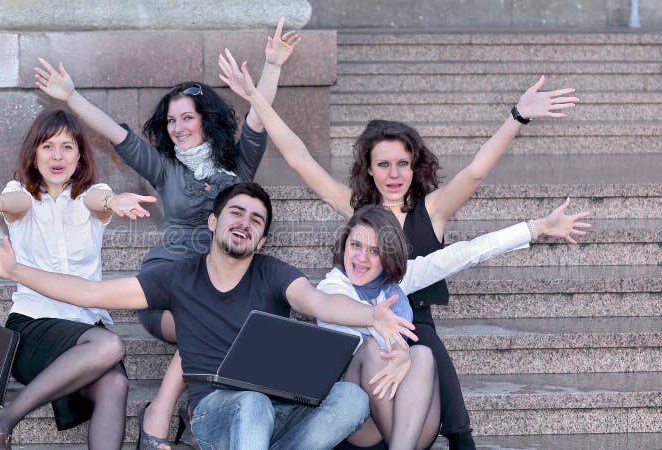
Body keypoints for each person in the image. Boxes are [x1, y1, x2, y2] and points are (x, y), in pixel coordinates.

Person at [217, 53, 580, 449]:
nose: (394, 174)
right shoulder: (355, 230)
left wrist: (518, 118)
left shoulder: (429, 216)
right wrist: (256, 96)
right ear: (369, 170)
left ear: (413, 166)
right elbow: (300, 158)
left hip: (413, 321)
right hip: (367, 337)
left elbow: (473, 192)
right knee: (381, 351)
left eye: (403, 164)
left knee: (429, 360)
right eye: (384, 164)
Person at [0, 182, 422, 450]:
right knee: (251, 402)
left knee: (351, 400)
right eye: (235, 213)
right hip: (214, 412)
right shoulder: (177, 277)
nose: (244, 222)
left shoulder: (274, 273)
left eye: (256, 220)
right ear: (213, 223)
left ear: (262, 240)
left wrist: (370, 316)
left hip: (282, 411)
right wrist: (13, 269)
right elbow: (90, 291)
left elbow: (320, 303)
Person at [33, 18, 300, 449]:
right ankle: (175, 412)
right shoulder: (164, 167)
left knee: (228, 318)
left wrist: (272, 68)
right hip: (170, 278)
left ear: (205, 121)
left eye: (186, 118)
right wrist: (72, 97)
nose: (177, 128)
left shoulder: (239, 164)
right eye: (171, 120)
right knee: (208, 320)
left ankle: (180, 414)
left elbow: (258, 118)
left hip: (230, 275)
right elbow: (115, 134)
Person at [0, 108, 156, 450]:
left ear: (80, 155)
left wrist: (115, 200)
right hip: (34, 327)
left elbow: (99, 199)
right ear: (34, 154)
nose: (57, 155)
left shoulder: (92, 196)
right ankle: (3, 422)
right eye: (48, 146)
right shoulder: (20, 195)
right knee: (110, 345)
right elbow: (14, 202)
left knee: (116, 385)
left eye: (67, 146)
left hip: (85, 329)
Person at [316, 203, 590, 450]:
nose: (362, 258)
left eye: (374, 251)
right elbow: (337, 309)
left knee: (422, 353)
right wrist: (385, 335)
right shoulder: (332, 287)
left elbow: (465, 253)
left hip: (407, 424)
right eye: (356, 246)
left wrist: (537, 227)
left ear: (387, 256)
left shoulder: (396, 282)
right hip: (360, 425)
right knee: (372, 349)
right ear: (344, 245)